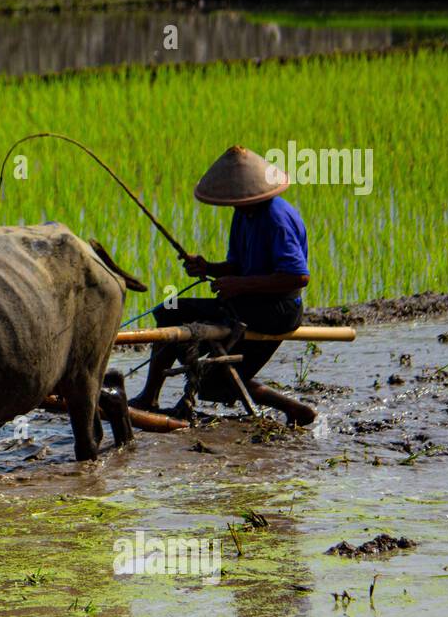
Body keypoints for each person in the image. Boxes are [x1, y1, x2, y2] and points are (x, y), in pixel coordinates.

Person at [130, 145, 312, 422]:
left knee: (214, 382)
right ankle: (150, 395)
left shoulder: (276, 218)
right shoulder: (244, 214)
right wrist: (208, 268)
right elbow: (239, 265)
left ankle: (291, 408)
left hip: (277, 310)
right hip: (248, 303)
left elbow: (298, 277)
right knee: (169, 311)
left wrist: (239, 286)